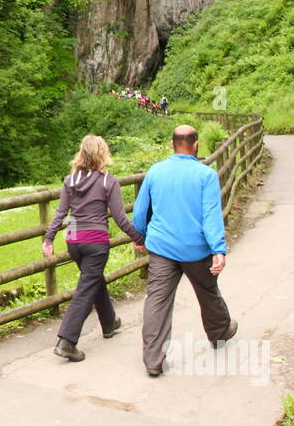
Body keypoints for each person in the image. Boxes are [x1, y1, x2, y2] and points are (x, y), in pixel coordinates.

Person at [130, 124, 237, 376]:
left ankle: (153, 359)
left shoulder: (155, 171)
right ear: (196, 144)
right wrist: (218, 249)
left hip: (162, 248)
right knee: (208, 291)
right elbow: (211, 215)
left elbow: (139, 210)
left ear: (172, 144)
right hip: (196, 249)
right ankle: (220, 332)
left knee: (157, 299)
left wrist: (140, 235)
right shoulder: (206, 175)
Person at [42, 135, 148, 362]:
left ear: (81, 153)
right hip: (96, 243)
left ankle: (109, 323)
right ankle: (67, 342)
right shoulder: (107, 181)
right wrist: (139, 238)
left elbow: (61, 213)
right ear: (103, 154)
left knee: (93, 279)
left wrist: (49, 238)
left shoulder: (70, 180)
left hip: (74, 242)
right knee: (85, 289)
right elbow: (120, 218)